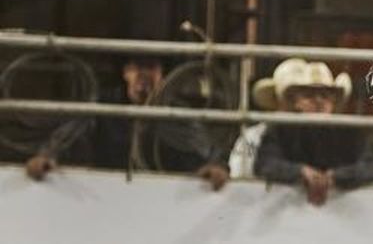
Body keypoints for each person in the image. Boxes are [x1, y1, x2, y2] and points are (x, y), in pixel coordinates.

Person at [25, 54, 229, 190]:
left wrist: (215, 167)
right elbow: (69, 133)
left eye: (150, 67)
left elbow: (208, 150)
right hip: (109, 192)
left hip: (160, 194)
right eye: (135, 67)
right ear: (126, 73)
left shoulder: (177, 113)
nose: (142, 74)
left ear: (161, 74)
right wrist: (47, 155)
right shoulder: (104, 105)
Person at [252, 58, 373, 205]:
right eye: (309, 95)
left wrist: (336, 177)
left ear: (333, 103)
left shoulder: (349, 131)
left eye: (325, 96)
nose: (319, 101)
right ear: (296, 102)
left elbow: (372, 167)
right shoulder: (282, 129)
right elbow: (265, 164)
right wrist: (301, 172)